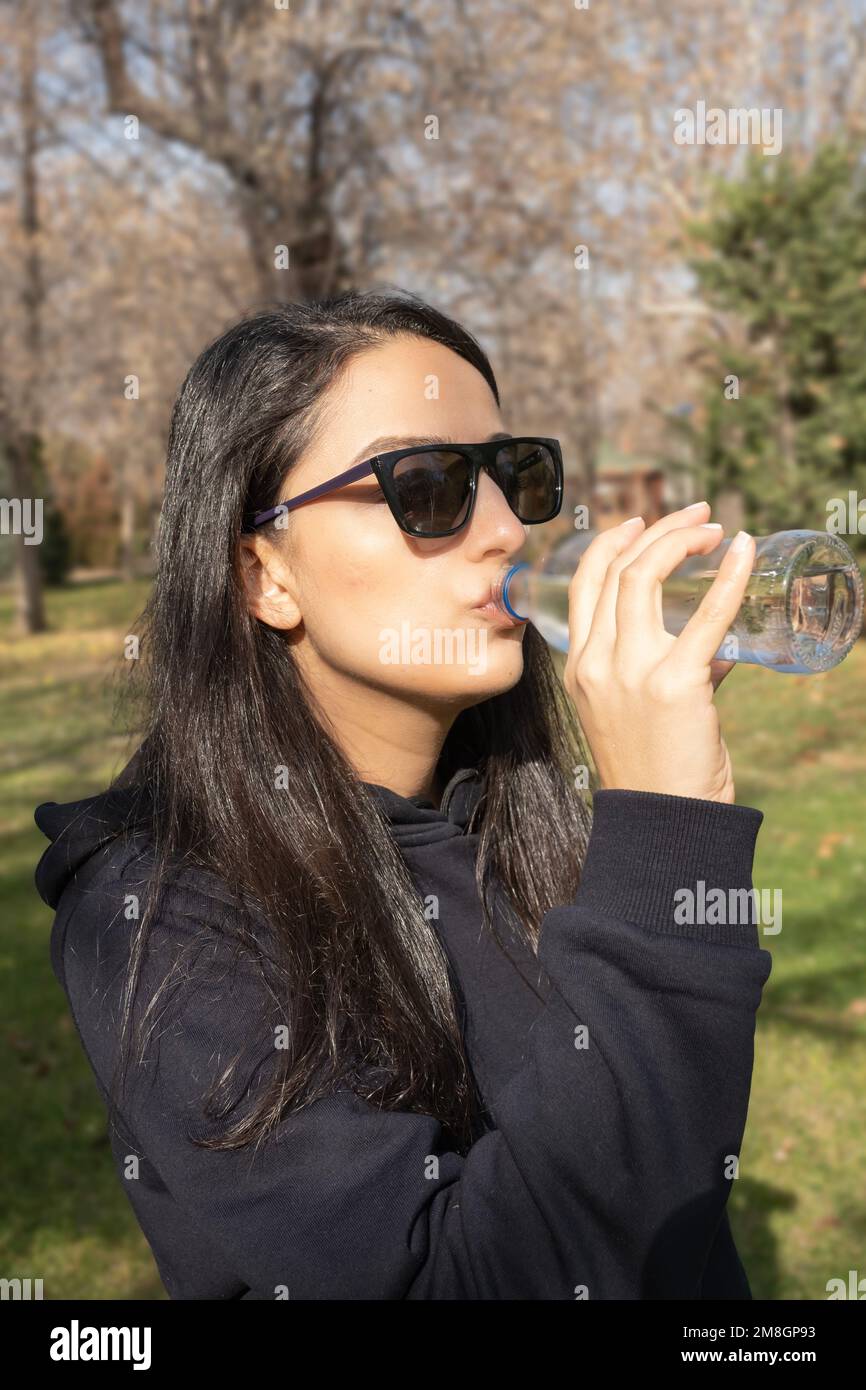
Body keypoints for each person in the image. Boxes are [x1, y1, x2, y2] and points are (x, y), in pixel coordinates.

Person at [33, 288, 772, 1300]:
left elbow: (672, 1173)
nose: (507, 529)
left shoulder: (524, 818)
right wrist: (665, 840)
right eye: (425, 485)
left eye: (515, 474)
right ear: (263, 576)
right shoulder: (157, 909)